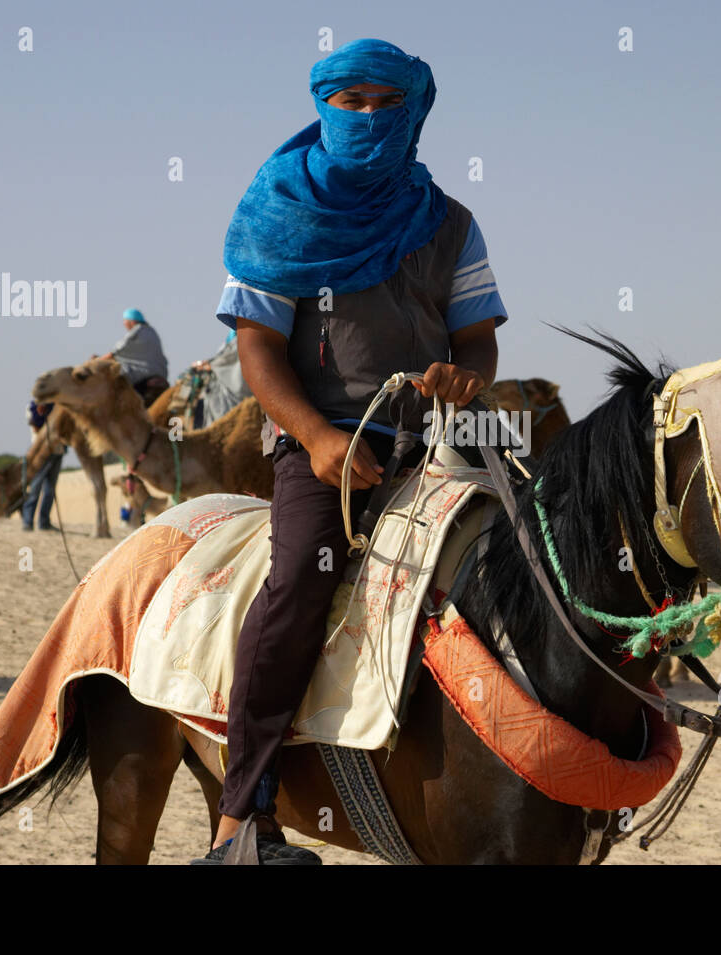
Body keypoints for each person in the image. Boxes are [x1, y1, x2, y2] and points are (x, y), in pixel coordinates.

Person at [197, 39, 507, 865]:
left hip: (436, 439)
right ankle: (242, 812)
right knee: (300, 580)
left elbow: (478, 340)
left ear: (412, 111)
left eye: (384, 104)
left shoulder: (450, 222)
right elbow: (257, 349)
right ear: (324, 107)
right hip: (322, 445)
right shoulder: (280, 206)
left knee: (531, 556)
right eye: (350, 103)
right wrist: (317, 437)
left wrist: (466, 380)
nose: (367, 118)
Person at [100, 308, 170, 406]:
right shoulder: (151, 331)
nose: (124, 324)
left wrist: (97, 361)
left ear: (131, 322)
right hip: (161, 373)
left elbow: (117, 350)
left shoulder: (137, 331)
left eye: (125, 321)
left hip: (142, 374)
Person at [193, 329, 248, 427]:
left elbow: (231, 361)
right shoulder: (236, 333)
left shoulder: (246, 334)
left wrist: (211, 366)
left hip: (234, 390)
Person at [23, 402, 61, 531]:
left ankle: (44, 522)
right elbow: (35, 427)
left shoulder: (57, 406)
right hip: (40, 453)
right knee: (35, 487)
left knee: (50, 490)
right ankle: (28, 521)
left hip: (57, 450)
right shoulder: (31, 407)